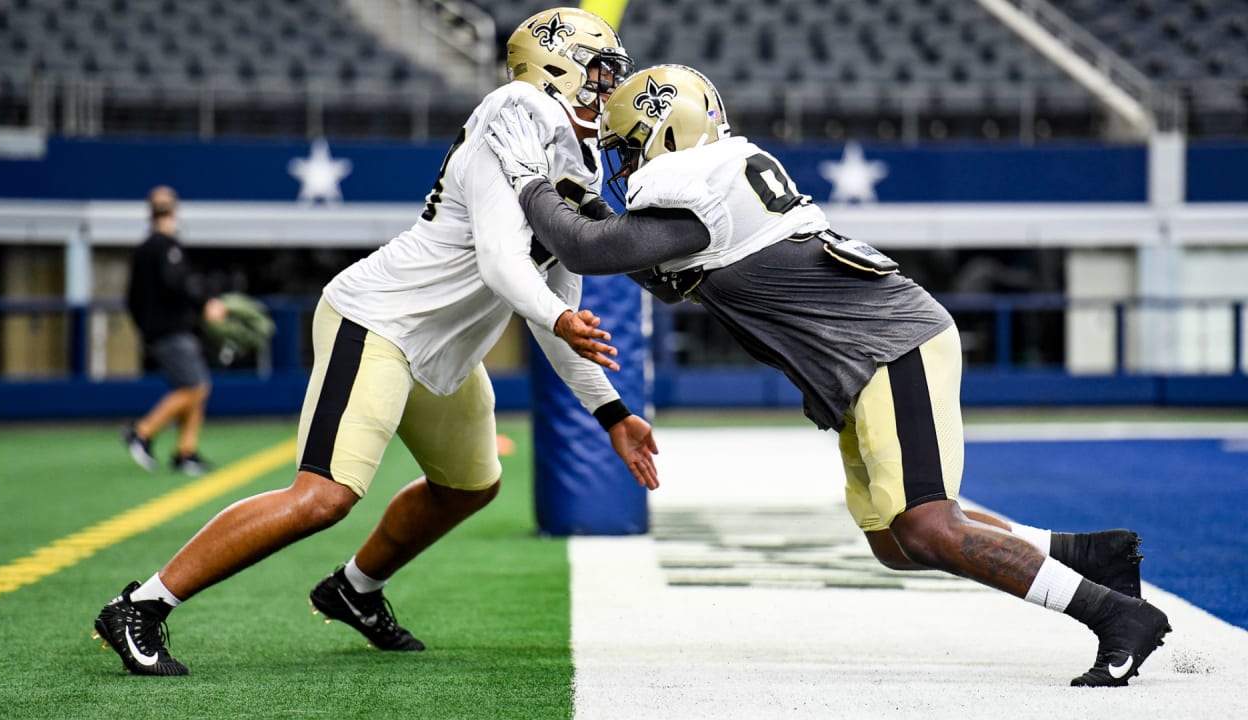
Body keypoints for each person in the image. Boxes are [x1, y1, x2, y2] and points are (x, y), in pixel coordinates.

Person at [483, 63, 1171, 688]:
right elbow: (653, 273)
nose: (623, 162)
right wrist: (585, 209)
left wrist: (530, 182)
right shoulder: (719, 178)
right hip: (862, 363)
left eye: (628, 146)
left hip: (888, 347)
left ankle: (1115, 617)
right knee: (897, 544)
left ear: (666, 133)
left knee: (928, 526)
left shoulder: (700, 189)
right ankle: (1090, 555)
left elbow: (588, 249)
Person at [93, 7, 656, 677]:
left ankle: (353, 590)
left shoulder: (577, 158)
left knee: (470, 485)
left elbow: (558, 312)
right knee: (323, 496)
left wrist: (612, 412)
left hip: (441, 352)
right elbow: (504, 263)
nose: (606, 89)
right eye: (597, 72)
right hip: (380, 320)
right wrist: (560, 320)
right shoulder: (512, 111)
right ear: (554, 67)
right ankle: (141, 605)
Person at [122, 185, 227, 477]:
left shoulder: (144, 248)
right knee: (195, 387)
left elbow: (130, 299)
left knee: (196, 386)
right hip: (172, 330)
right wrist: (205, 303)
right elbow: (175, 286)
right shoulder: (166, 247)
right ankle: (142, 431)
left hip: (160, 331)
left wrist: (145, 330)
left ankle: (185, 452)